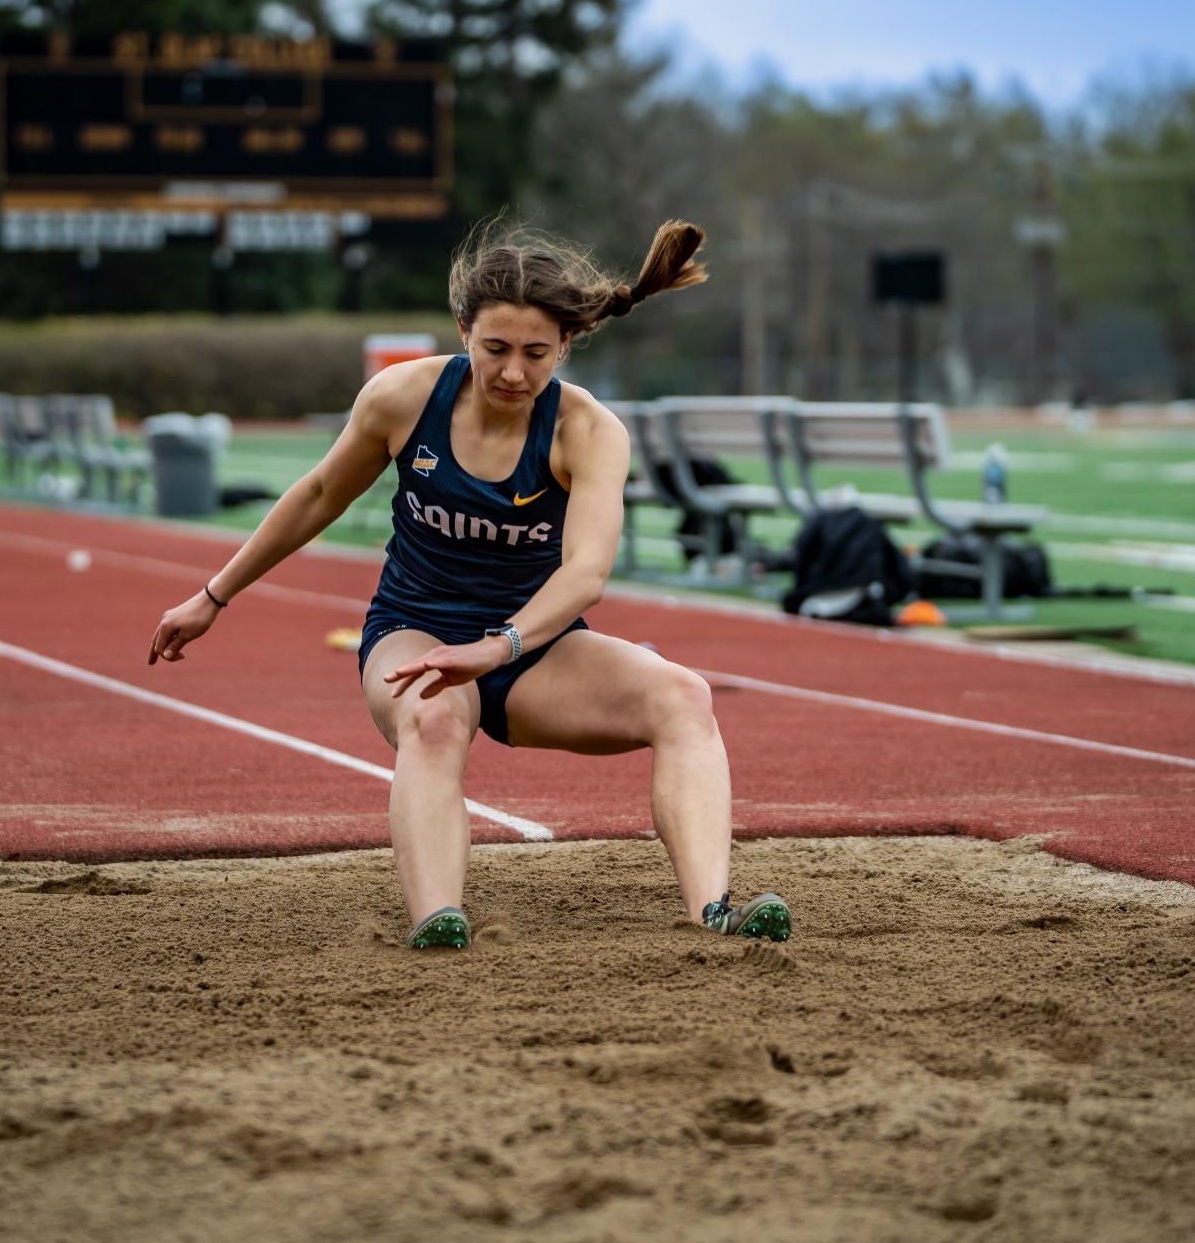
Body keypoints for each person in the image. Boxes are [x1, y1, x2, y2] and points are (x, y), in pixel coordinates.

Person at [146, 219, 791, 950]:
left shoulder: (589, 430)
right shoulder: (401, 398)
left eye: (535, 354)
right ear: (462, 331)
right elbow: (322, 492)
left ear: (566, 346)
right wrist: (213, 595)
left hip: (532, 647)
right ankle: (437, 920)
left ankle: (714, 909)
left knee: (684, 696)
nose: (514, 373)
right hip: (414, 629)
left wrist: (501, 644)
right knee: (436, 718)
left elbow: (587, 572)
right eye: (495, 350)